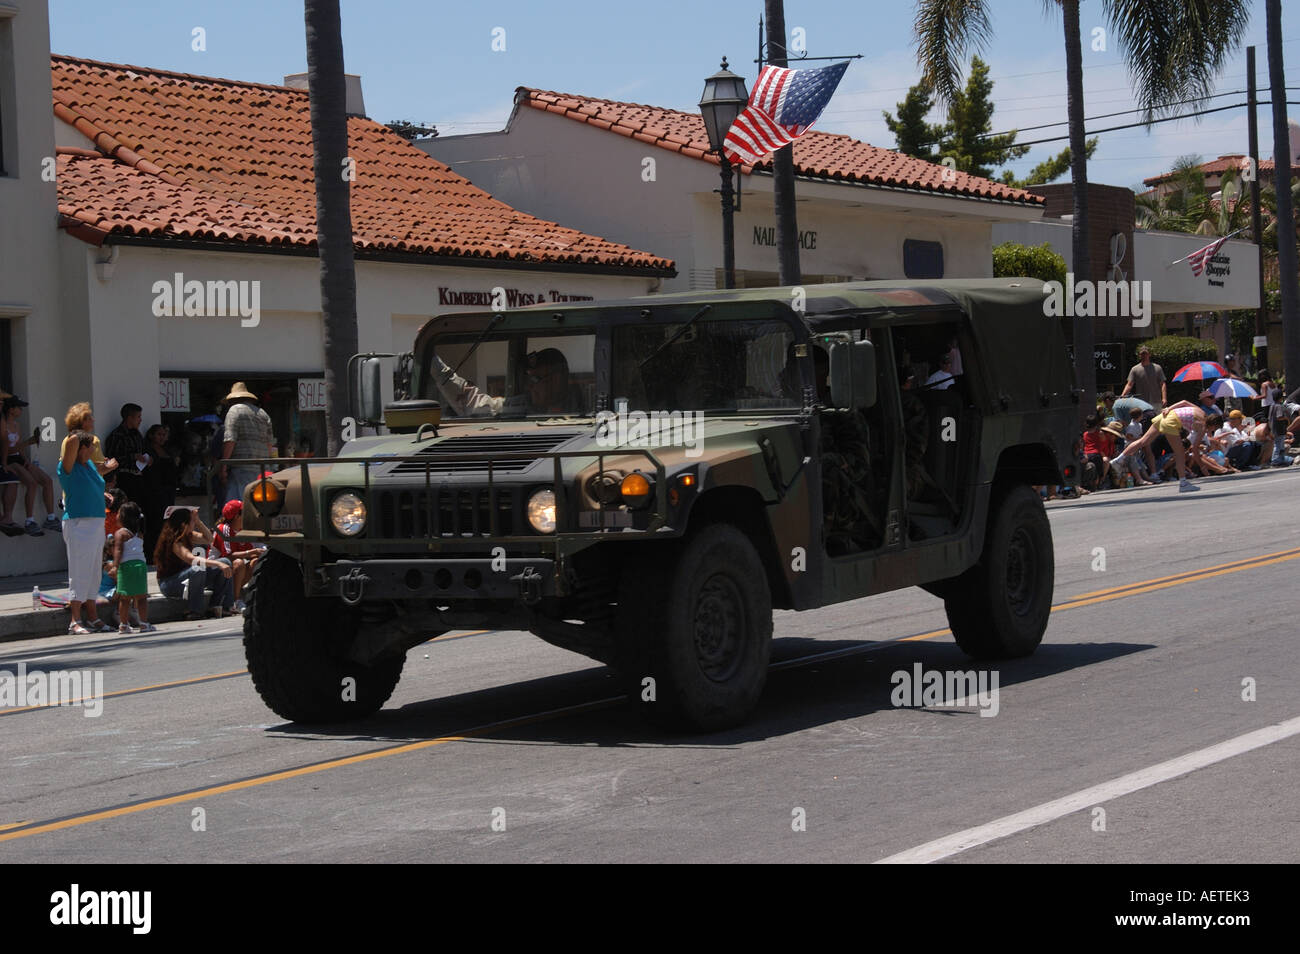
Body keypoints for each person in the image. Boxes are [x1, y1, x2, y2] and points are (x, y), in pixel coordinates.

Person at [57, 431, 111, 634]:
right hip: (78, 523)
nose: (92, 450)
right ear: (79, 448)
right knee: (79, 571)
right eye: (89, 447)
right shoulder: (67, 467)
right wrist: (80, 433)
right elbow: (71, 442)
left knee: (94, 572)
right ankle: (75, 620)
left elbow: (93, 483)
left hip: (96, 522)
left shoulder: (88, 466)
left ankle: (93, 617)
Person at [433, 348, 573, 417]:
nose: (529, 386)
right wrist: (432, 361)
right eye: (528, 379)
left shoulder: (588, 412)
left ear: (557, 379)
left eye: (536, 379)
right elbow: (475, 405)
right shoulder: (522, 405)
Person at [154, 507, 233, 620]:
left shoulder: (189, 535)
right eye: (191, 521)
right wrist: (217, 564)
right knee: (199, 568)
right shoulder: (175, 541)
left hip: (187, 577)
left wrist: (198, 521)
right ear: (183, 524)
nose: (193, 524)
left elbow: (209, 539)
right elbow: (191, 559)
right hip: (169, 584)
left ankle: (217, 605)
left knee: (226, 562)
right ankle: (195, 610)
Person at [1111, 400, 1204, 492]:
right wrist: (1202, 466)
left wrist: (1168, 408)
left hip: (1165, 416)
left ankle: (1118, 459)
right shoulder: (1202, 423)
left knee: (1143, 441)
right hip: (1171, 421)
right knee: (1179, 453)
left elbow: (1184, 402)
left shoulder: (1200, 411)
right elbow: (1195, 448)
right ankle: (1183, 483)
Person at [1, 395, 60, 534]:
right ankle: (30, 520)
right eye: (18, 408)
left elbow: (18, 447)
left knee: (47, 480)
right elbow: (6, 449)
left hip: (18, 459)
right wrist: (28, 442)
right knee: (32, 484)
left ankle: (51, 517)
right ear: (11, 410)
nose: (21, 410)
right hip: (8, 460)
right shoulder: (3, 424)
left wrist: (25, 459)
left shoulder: (16, 425)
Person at [218, 383, 275, 507]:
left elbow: (230, 440)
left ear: (232, 400)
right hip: (262, 470)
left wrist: (223, 467)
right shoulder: (263, 414)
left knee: (238, 509)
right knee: (259, 508)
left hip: (241, 469)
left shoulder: (234, 411)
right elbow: (270, 446)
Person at [110, 501, 155, 634]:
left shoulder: (121, 533)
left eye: (118, 513)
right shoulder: (139, 533)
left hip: (126, 567)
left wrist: (115, 566)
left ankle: (123, 625)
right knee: (141, 598)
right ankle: (144, 623)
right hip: (140, 566)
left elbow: (118, 551)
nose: (116, 515)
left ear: (123, 517)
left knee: (124, 598)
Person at [212, 499, 264, 613]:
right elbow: (229, 557)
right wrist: (249, 552)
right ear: (237, 516)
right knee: (239, 563)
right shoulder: (223, 529)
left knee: (255, 562)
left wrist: (256, 552)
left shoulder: (244, 529)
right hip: (216, 571)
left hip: (230, 570)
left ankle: (239, 594)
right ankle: (235, 600)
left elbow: (257, 547)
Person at [139, 423, 177, 563]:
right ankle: (152, 554)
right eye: (159, 434)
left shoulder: (167, 450)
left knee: (166, 523)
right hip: (153, 492)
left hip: (168, 492)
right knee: (154, 524)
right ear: (151, 435)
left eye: (164, 434)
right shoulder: (147, 451)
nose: (162, 437)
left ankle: (164, 553)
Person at [105, 403, 150, 504]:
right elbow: (111, 459)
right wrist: (133, 456)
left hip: (138, 478)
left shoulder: (137, 435)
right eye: (138, 417)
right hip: (124, 479)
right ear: (129, 418)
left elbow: (143, 451)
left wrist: (147, 459)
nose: (140, 420)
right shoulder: (117, 435)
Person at [60, 403, 118, 477]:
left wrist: (102, 460)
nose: (93, 420)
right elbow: (94, 469)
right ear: (82, 421)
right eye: (90, 418)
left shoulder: (66, 440)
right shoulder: (93, 440)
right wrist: (110, 465)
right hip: (88, 487)